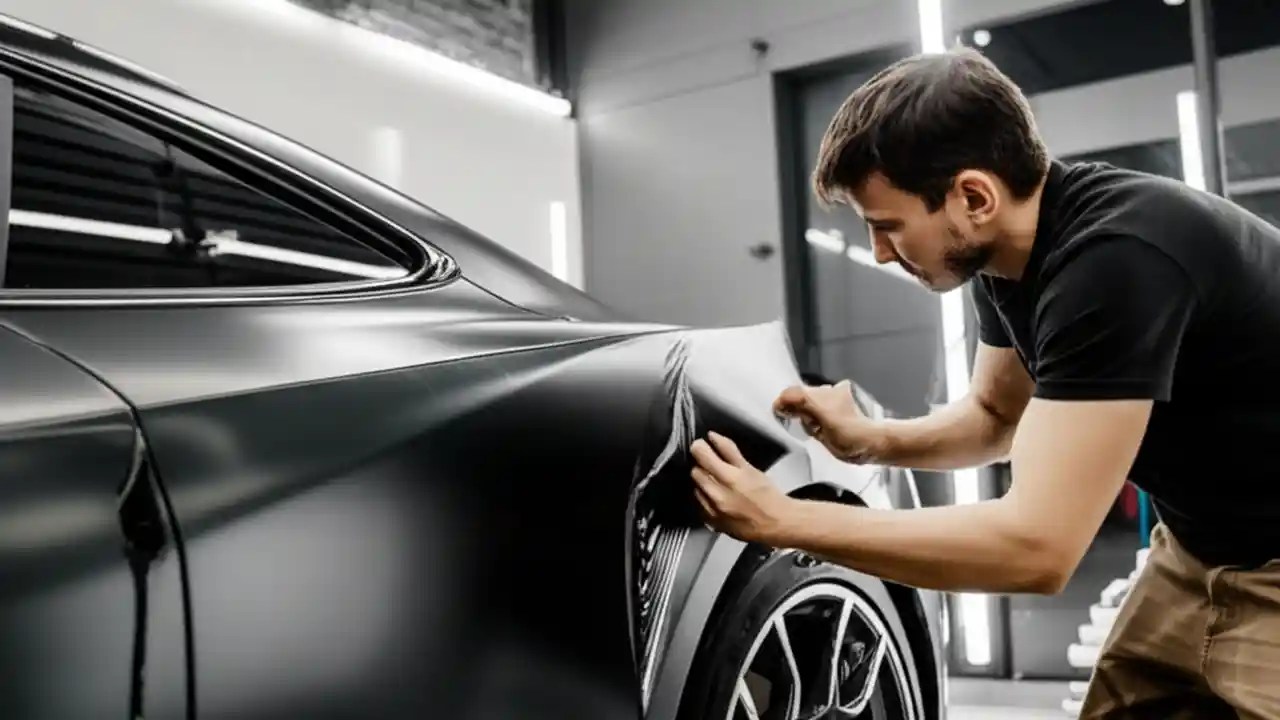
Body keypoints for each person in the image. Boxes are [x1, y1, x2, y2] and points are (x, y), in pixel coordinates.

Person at [688, 47, 1280, 719]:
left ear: (973, 196)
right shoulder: (1009, 257)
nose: (880, 251)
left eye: (887, 226)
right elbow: (996, 417)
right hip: (1196, 550)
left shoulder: (1118, 262)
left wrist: (785, 521)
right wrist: (872, 440)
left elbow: (1037, 548)